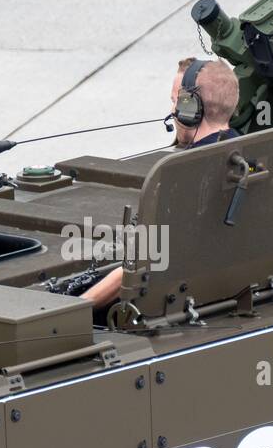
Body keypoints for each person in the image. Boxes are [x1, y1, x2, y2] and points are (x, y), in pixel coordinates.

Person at [80, 57, 239, 307]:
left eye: (176, 101)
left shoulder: (185, 178)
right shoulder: (245, 155)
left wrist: (79, 305)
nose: (173, 111)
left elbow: (141, 269)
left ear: (191, 108)